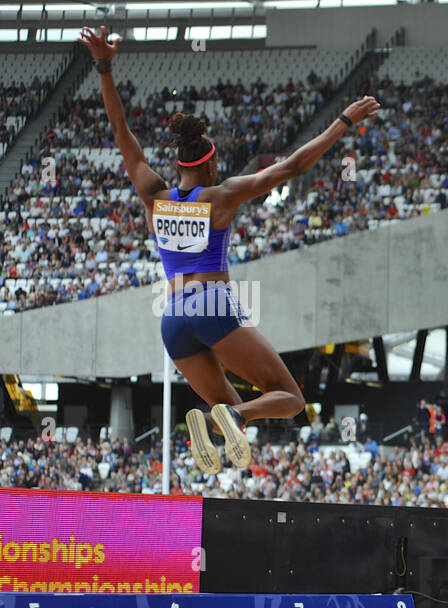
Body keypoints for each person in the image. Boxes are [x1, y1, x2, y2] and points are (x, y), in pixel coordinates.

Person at [79, 25, 380, 475]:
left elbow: (120, 129)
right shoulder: (221, 195)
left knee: (229, 412)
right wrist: (344, 122)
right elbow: (293, 165)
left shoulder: (152, 195)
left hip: (172, 316)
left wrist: (104, 66)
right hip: (211, 303)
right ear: (210, 164)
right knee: (289, 397)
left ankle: (231, 422)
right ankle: (237, 417)